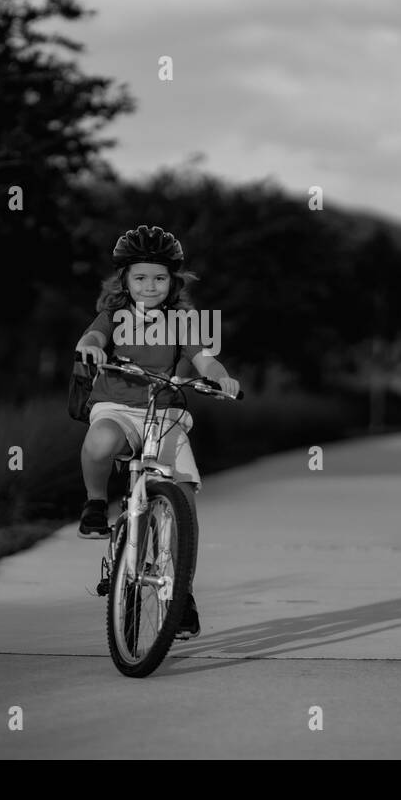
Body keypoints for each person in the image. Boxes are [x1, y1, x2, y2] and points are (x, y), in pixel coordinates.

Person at [73, 225, 240, 640]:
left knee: (181, 502)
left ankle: (180, 591)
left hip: (164, 411)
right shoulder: (114, 317)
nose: (150, 286)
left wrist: (222, 378)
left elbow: (205, 359)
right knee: (101, 442)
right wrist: (92, 347)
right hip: (118, 406)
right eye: (141, 277)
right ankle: (96, 503)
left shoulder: (184, 321)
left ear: (173, 282)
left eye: (159, 278)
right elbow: (93, 336)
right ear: (125, 281)